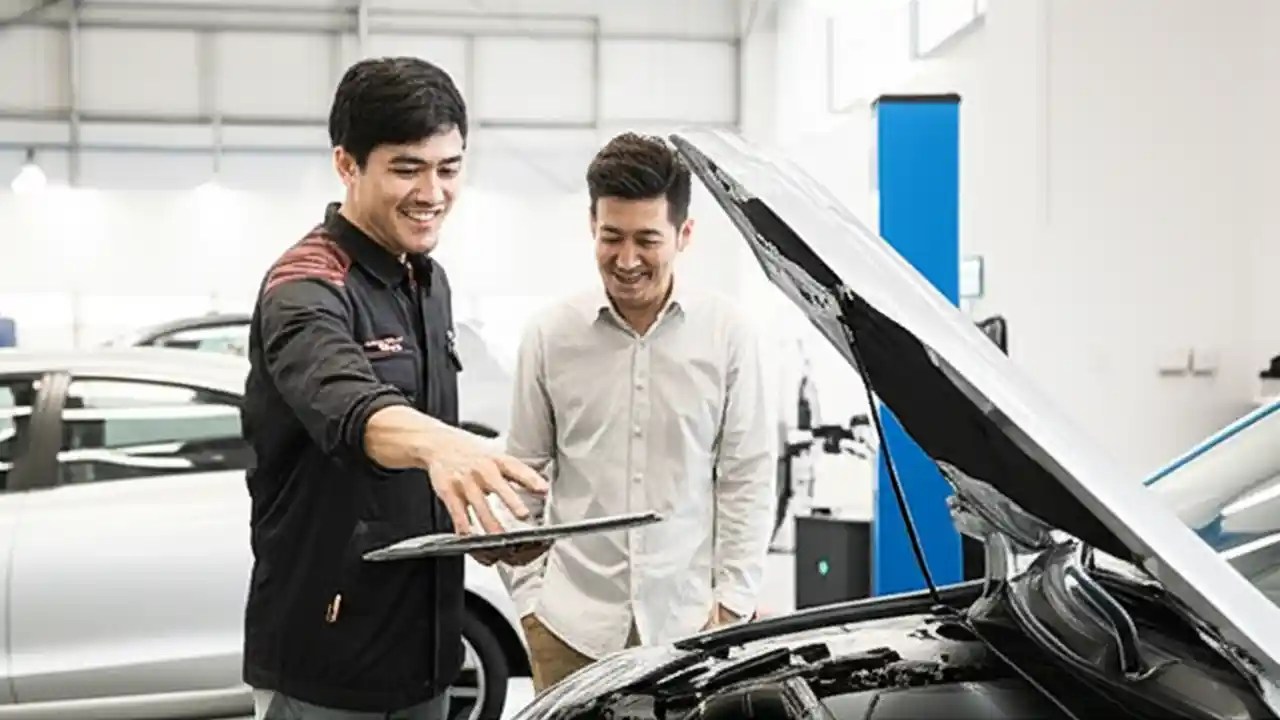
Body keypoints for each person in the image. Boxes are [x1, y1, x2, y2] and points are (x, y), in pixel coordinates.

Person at [239, 56, 548, 720]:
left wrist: (481, 526)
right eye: (407, 169)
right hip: (327, 665)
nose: (432, 192)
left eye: (449, 168)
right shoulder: (305, 286)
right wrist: (447, 447)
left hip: (425, 659)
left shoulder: (428, 283)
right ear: (347, 165)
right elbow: (349, 402)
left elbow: (411, 479)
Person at [487, 132, 777, 691]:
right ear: (591, 226)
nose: (626, 259)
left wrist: (731, 608)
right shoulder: (550, 335)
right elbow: (524, 474)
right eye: (611, 237)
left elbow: (746, 478)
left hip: (693, 631)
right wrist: (530, 604)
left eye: (647, 239)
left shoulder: (728, 335)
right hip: (568, 629)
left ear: (684, 235)